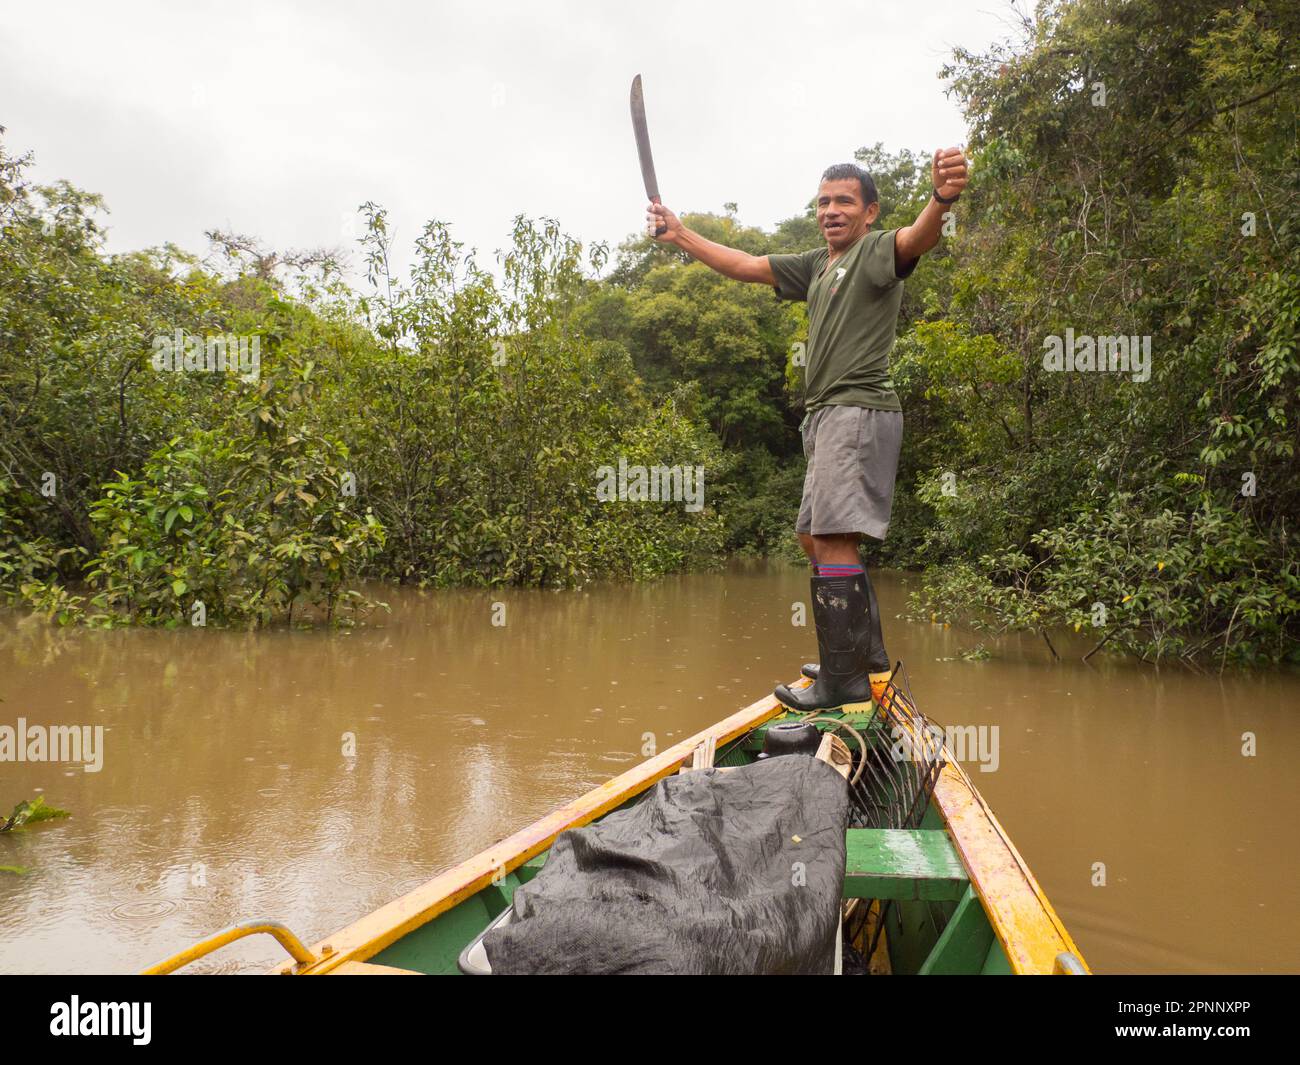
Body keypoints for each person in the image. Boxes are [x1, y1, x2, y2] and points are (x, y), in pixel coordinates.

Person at [645, 148, 969, 709]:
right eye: (823, 202)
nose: (830, 211)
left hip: (857, 409)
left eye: (844, 201)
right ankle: (860, 657)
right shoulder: (818, 266)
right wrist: (681, 235)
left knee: (833, 538)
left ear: (869, 212)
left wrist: (941, 198)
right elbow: (745, 264)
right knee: (810, 536)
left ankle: (840, 682)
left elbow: (917, 239)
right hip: (824, 418)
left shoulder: (874, 251)